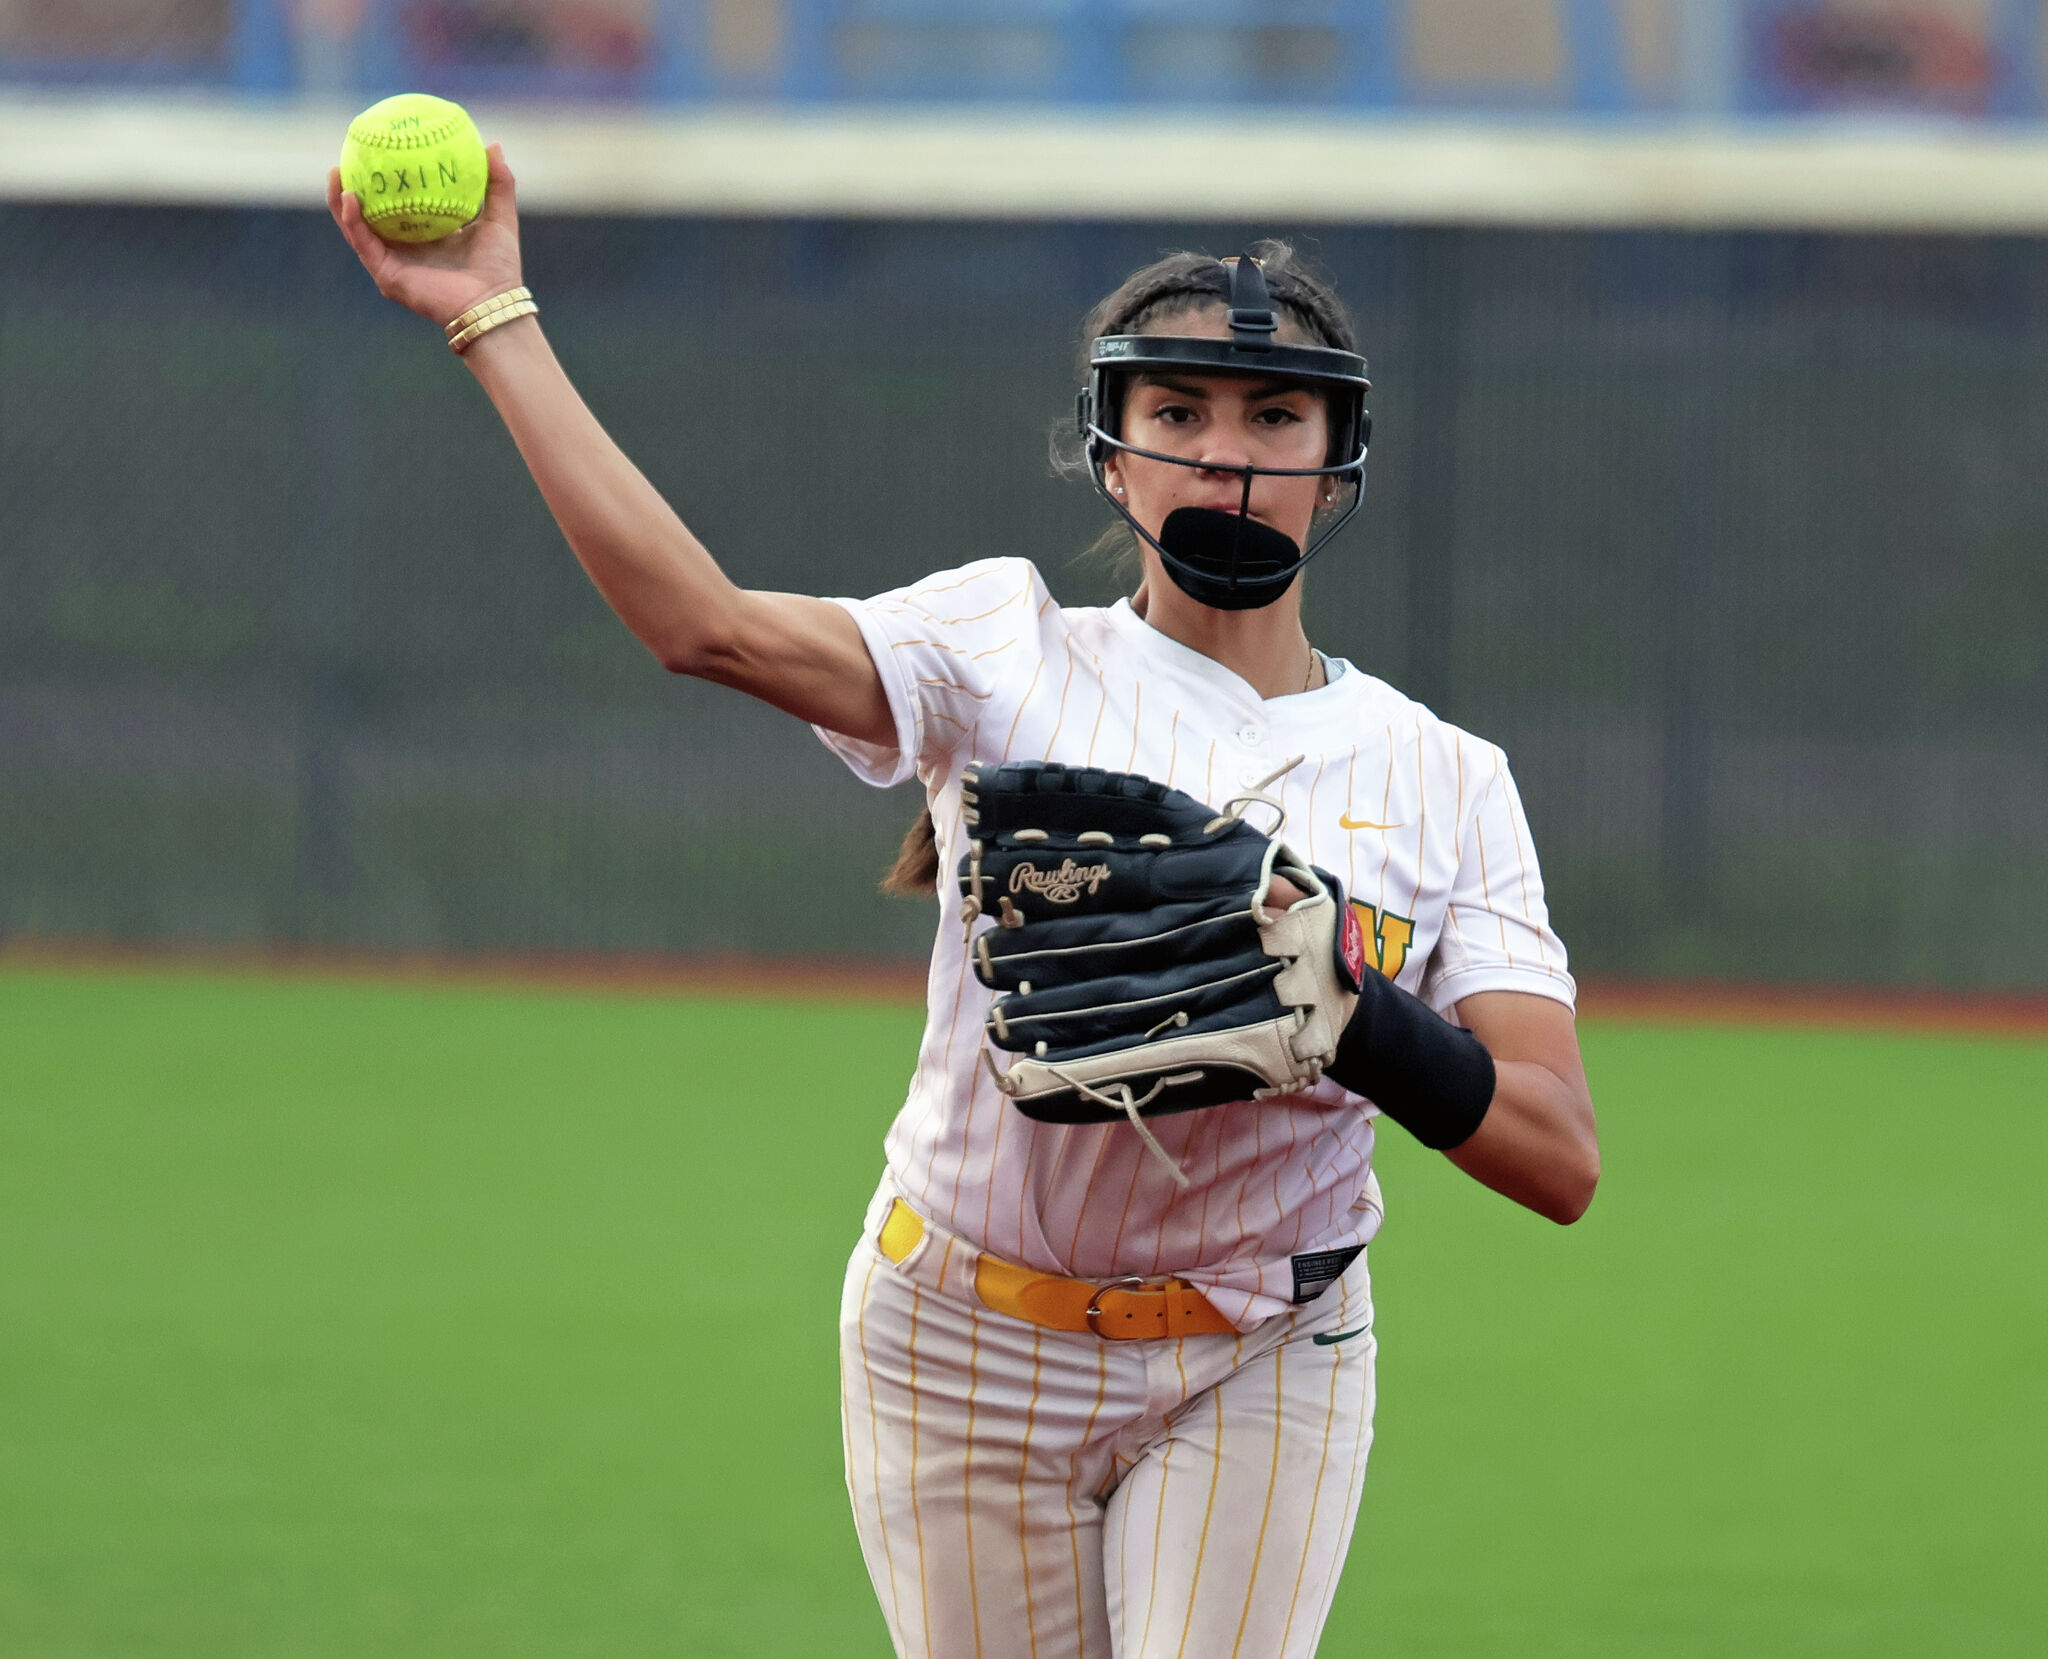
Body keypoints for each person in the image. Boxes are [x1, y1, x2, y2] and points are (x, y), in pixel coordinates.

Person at [331, 147, 1601, 1659]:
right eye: (1178, 412)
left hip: (1267, 1341)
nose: (1228, 454)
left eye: (1276, 416)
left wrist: (1355, 1015)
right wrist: (496, 318)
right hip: (960, 1343)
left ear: (1339, 460)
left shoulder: (1443, 775)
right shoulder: (1004, 652)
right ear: (1112, 454)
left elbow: (1558, 1155)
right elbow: (705, 627)